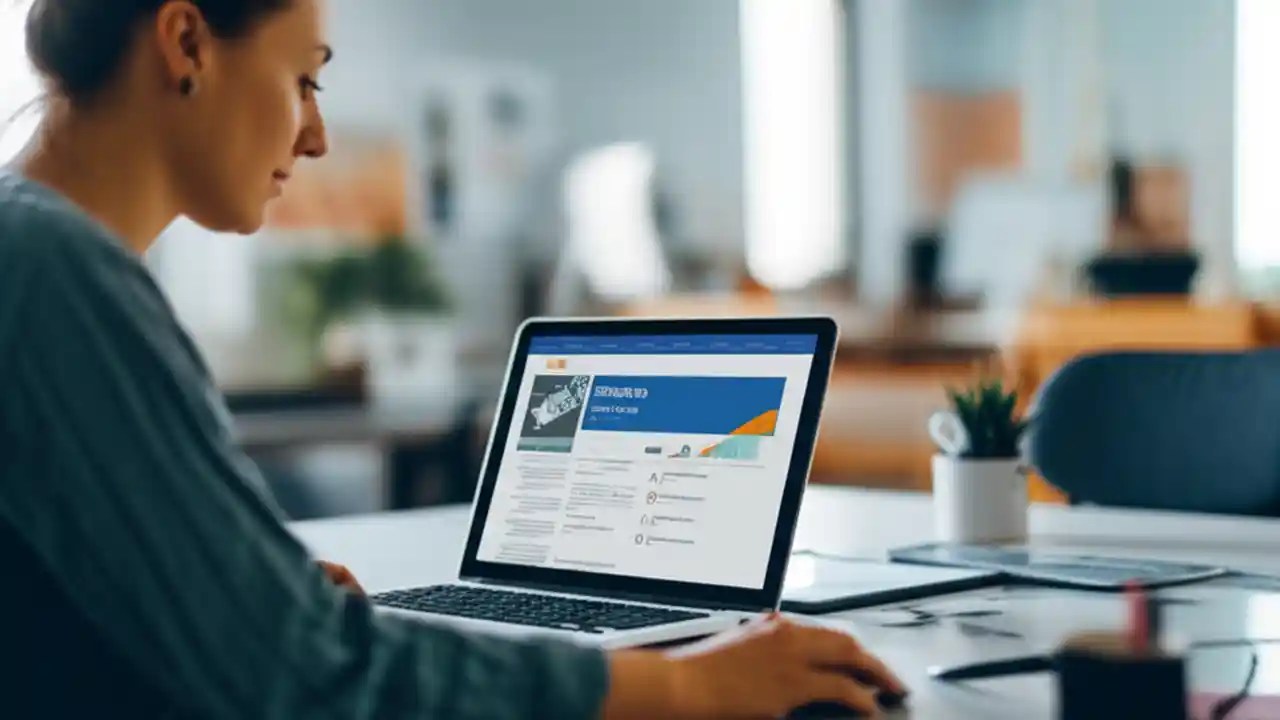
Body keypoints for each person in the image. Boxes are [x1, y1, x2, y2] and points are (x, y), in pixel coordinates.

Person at [0, 1, 906, 718]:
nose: (315, 136)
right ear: (187, 41)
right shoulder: (55, 270)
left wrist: (222, 580)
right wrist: (693, 689)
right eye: (304, 80)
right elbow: (309, 678)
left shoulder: (31, 246)